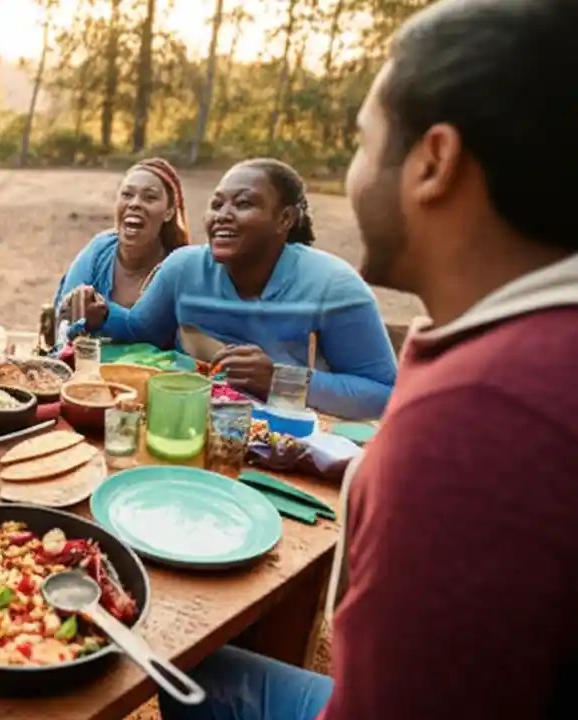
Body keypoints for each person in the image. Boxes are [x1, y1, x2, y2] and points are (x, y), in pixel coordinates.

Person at [161, 1, 578, 719]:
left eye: (361, 142)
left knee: (189, 674)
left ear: (434, 163)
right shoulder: (527, 352)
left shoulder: (480, 418)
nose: (353, 177)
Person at [73, 159, 396, 419]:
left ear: (284, 219)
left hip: (282, 443)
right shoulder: (184, 269)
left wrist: (277, 380)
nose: (222, 216)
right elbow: (140, 330)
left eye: (243, 204)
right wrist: (102, 314)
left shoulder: (332, 285)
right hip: (185, 424)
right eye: (216, 204)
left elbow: (383, 394)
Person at [55, 158, 190, 329]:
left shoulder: (179, 269)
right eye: (127, 195)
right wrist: (74, 311)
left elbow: (163, 331)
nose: (134, 204)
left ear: (169, 212)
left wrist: (106, 317)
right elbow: (63, 322)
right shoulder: (98, 251)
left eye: (150, 197)